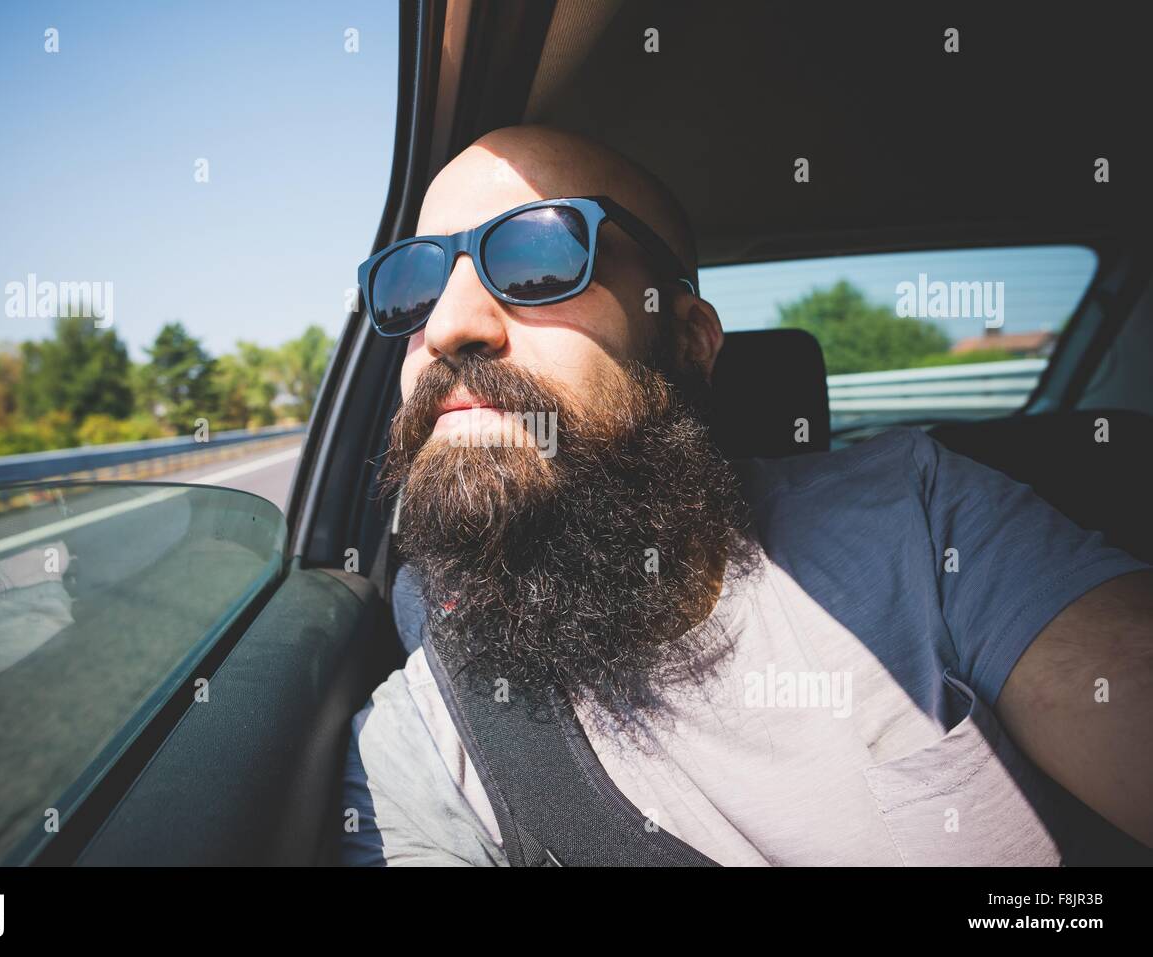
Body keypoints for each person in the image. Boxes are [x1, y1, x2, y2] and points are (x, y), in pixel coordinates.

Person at [340, 125, 1153, 866]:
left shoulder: (921, 515)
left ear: (688, 338)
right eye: (414, 284)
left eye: (537, 258)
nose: (449, 324)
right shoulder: (421, 744)